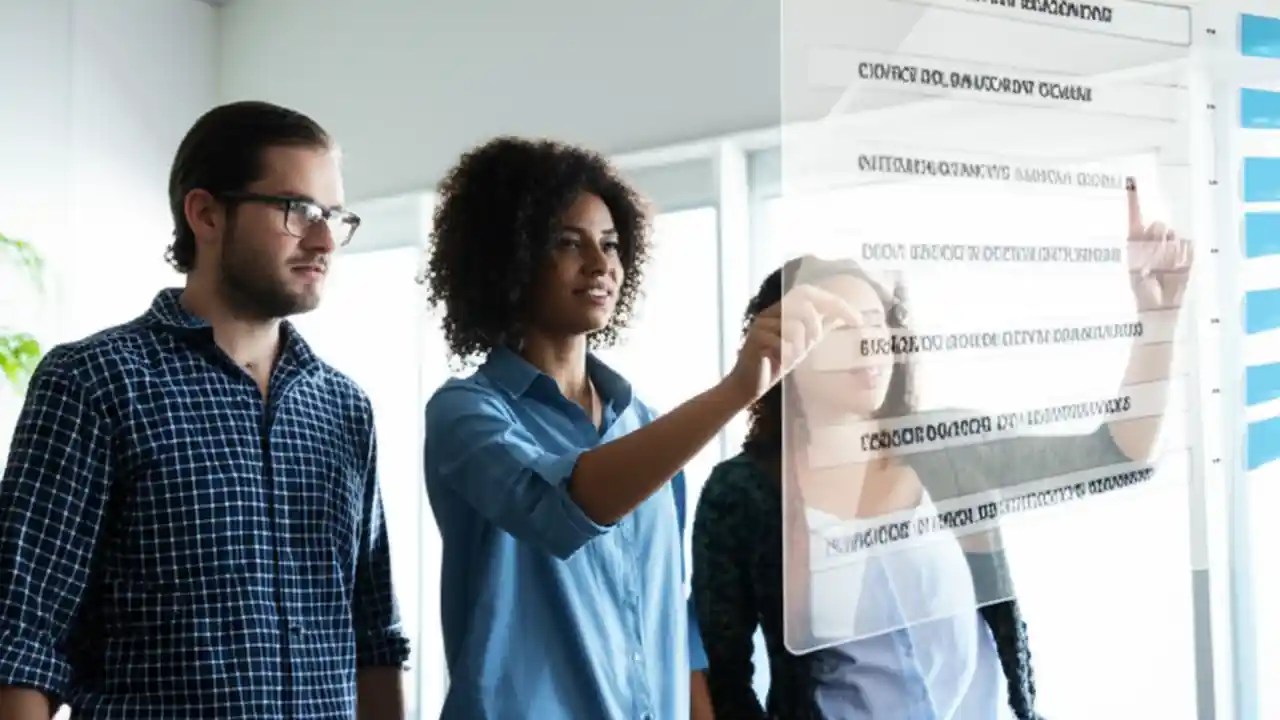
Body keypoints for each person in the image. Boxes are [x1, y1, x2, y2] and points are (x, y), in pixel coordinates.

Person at [692, 181, 1192, 719]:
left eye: (875, 322)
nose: (868, 342)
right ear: (785, 346)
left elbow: (1120, 455)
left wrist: (1158, 321)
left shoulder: (950, 446)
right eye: (839, 327)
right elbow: (725, 681)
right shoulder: (741, 495)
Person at [419, 136, 861, 719]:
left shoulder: (643, 423)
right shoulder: (466, 413)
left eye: (609, 244)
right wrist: (738, 391)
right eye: (567, 243)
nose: (601, 265)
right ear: (511, 256)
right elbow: (562, 508)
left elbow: (673, 618)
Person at [0, 101, 409, 720]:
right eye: (298, 211)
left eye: (334, 216)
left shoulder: (344, 409)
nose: (325, 239)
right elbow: (22, 639)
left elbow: (375, 638)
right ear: (206, 213)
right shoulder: (95, 382)